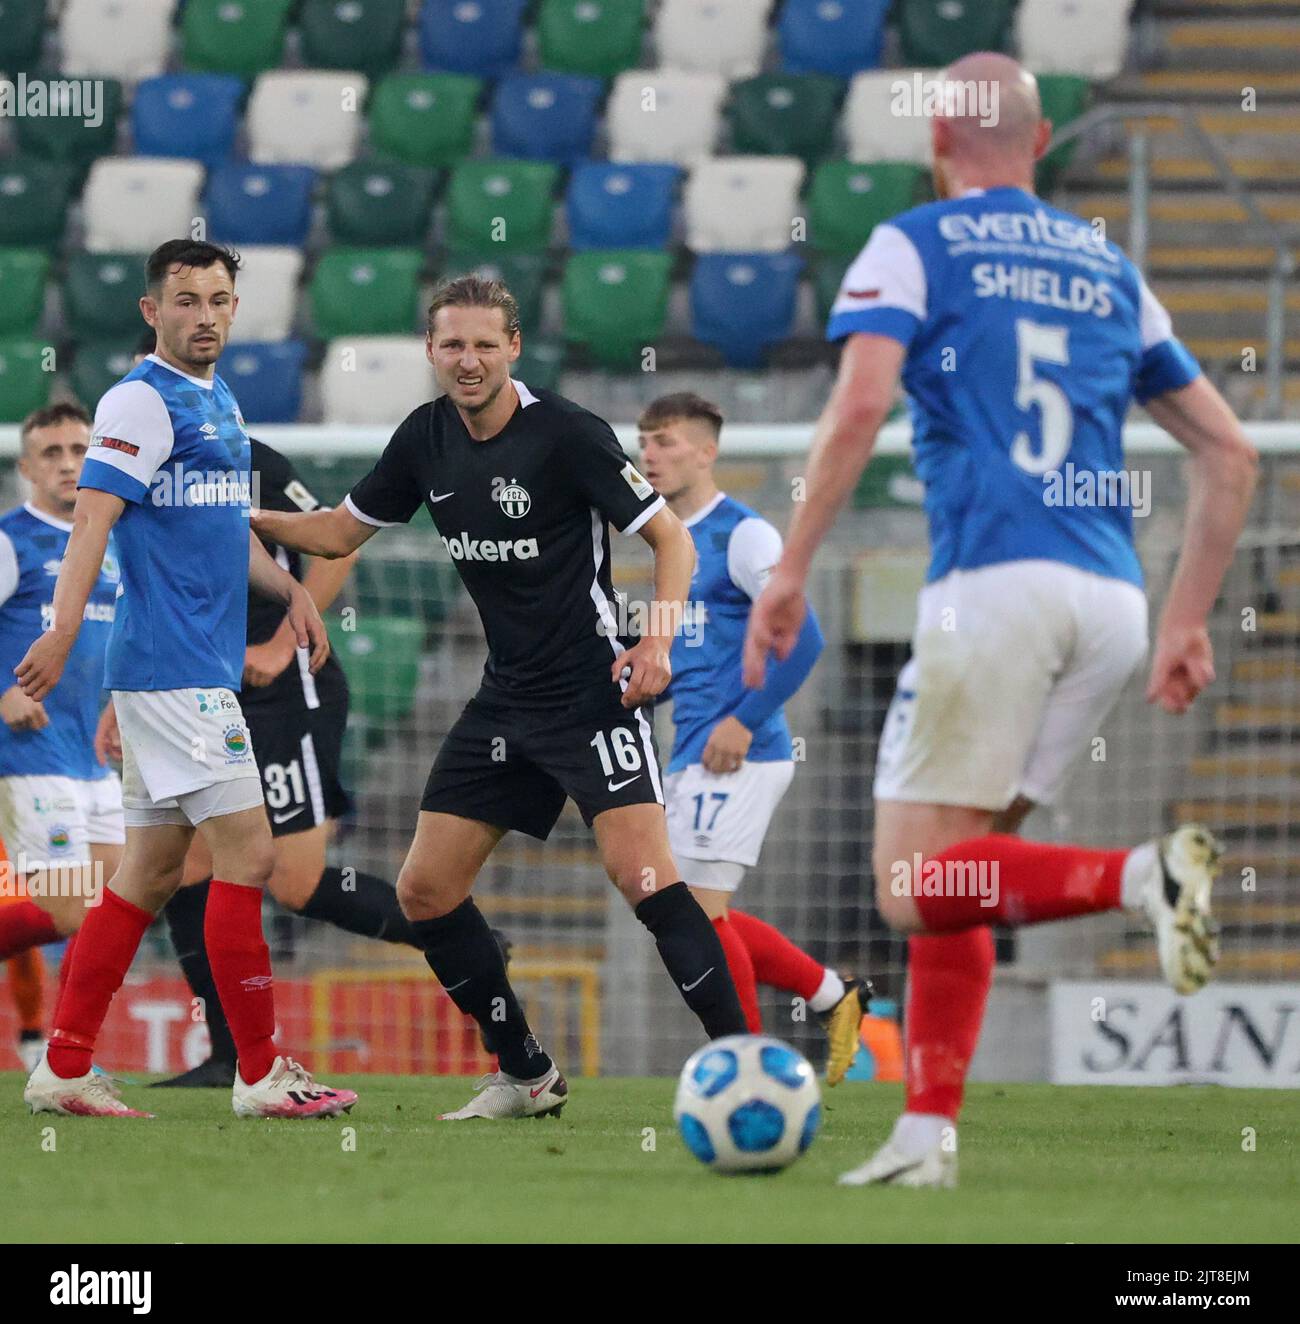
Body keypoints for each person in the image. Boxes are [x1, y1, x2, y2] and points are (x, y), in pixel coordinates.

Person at [744, 53, 1258, 1186]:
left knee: (905, 884)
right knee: (963, 868)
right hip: (1113, 599)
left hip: (992, 593)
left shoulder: (914, 242)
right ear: (1036, 145)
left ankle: (1139, 877)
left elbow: (862, 400)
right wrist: (1186, 621)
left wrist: (791, 568)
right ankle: (927, 1133)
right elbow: (1228, 454)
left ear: (938, 150)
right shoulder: (1111, 266)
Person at [252, 274, 750, 1120]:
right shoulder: (425, 439)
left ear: (514, 347)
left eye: (486, 344)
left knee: (647, 881)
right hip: (504, 703)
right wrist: (233, 516)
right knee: (425, 892)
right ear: (431, 351)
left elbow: (671, 539)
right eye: (453, 344)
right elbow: (336, 532)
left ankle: (746, 1069)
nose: (470, 360)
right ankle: (527, 1074)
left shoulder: (567, 434)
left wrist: (657, 639)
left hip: (594, 692)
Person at [18, 239, 356, 1119]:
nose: (204, 314)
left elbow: (221, 521)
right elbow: (91, 518)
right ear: (151, 310)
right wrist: (59, 635)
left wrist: (288, 590)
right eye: (186, 299)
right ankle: (259, 1073)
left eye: (218, 299)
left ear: (235, 309)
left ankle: (63, 1066)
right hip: (173, 672)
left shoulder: (220, 398)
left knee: (147, 874)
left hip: (182, 670)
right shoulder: (139, 398)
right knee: (252, 853)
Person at [97, 332, 431, 1088]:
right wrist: (124, 700)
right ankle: (227, 1054)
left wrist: (283, 643)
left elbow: (340, 548)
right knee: (183, 867)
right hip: (196, 687)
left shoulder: (257, 463)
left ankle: (453, 936)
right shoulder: (152, 474)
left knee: (295, 881)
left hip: (287, 689)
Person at [637, 392, 871, 1079]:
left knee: (696, 916)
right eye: (645, 442)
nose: (651, 454)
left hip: (740, 749)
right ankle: (834, 996)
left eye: (668, 442)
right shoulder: (666, 542)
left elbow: (807, 638)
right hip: (691, 747)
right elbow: (699, 650)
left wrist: (744, 719)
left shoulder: (744, 535)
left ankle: (743, 1063)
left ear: (707, 452)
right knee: (684, 911)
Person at [0, 405, 124, 1068]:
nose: (69, 463)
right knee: (71, 910)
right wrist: (3, 694)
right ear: (26, 468)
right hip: (28, 754)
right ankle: (62, 1053)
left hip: (91, 759)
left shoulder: (107, 542)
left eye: (80, 448)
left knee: (107, 912)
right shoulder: (10, 540)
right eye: (51, 452)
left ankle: (66, 1056)